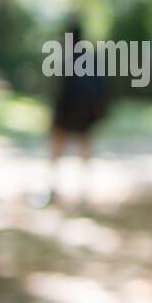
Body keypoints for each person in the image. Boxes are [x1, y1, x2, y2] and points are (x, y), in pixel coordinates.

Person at [37, 16, 110, 208]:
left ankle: (53, 189)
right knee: (83, 148)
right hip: (85, 112)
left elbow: (63, 88)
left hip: (67, 110)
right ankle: (84, 193)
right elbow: (100, 86)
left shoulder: (67, 56)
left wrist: (56, 114)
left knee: (56, 148)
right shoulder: (90, 55)